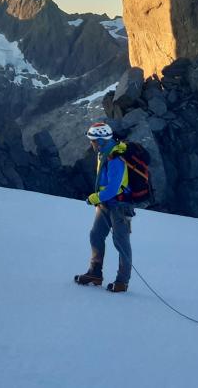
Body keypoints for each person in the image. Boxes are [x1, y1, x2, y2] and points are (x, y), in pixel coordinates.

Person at [74, 122, 134, 293]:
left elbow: (114, 188)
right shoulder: (104, 153)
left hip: (120, 206)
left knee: (121, 242)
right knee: (96, 235)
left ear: (100, 140)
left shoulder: (115, 158)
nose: (91, 143)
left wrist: (95, 198)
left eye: (92, 140)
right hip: (106, 204)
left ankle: (122, 282)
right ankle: (95, 273)